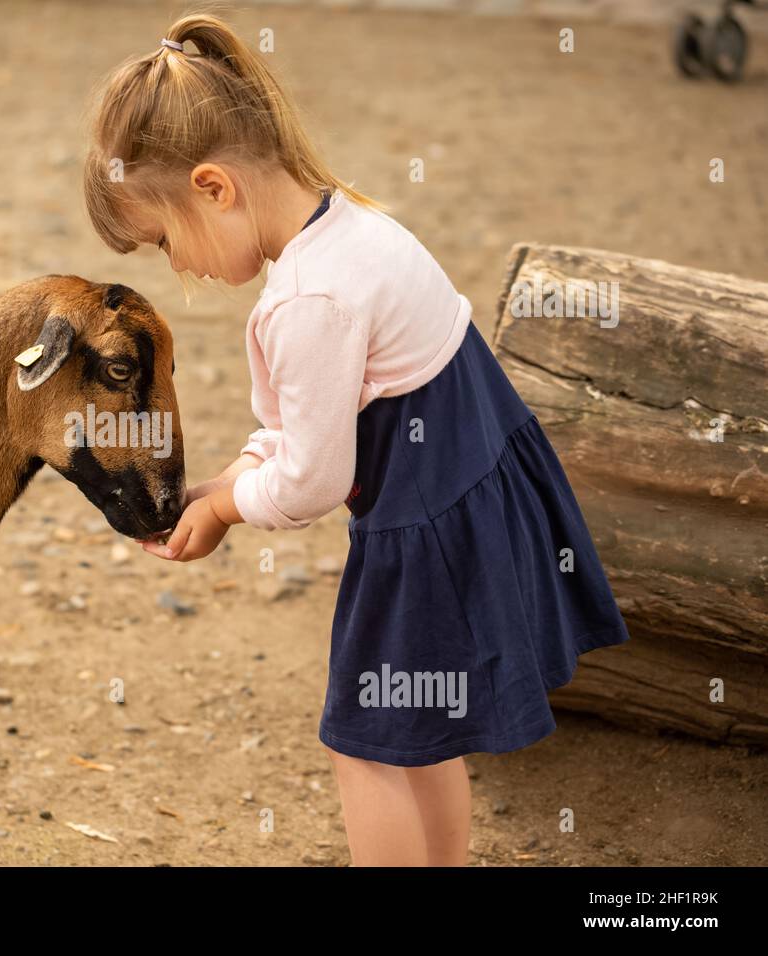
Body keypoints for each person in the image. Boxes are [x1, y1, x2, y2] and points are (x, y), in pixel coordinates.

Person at [81, 12, 630, 866]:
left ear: (214, 186)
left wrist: (228, 504)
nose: (176, 266)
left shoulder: (306, 301)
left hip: (428, 535)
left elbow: (312, 479)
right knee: (419, 726)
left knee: (365, 742)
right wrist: (234, 474)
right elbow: (302, 432)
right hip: (466, 499)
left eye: (163, 238)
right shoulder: (354, 226)